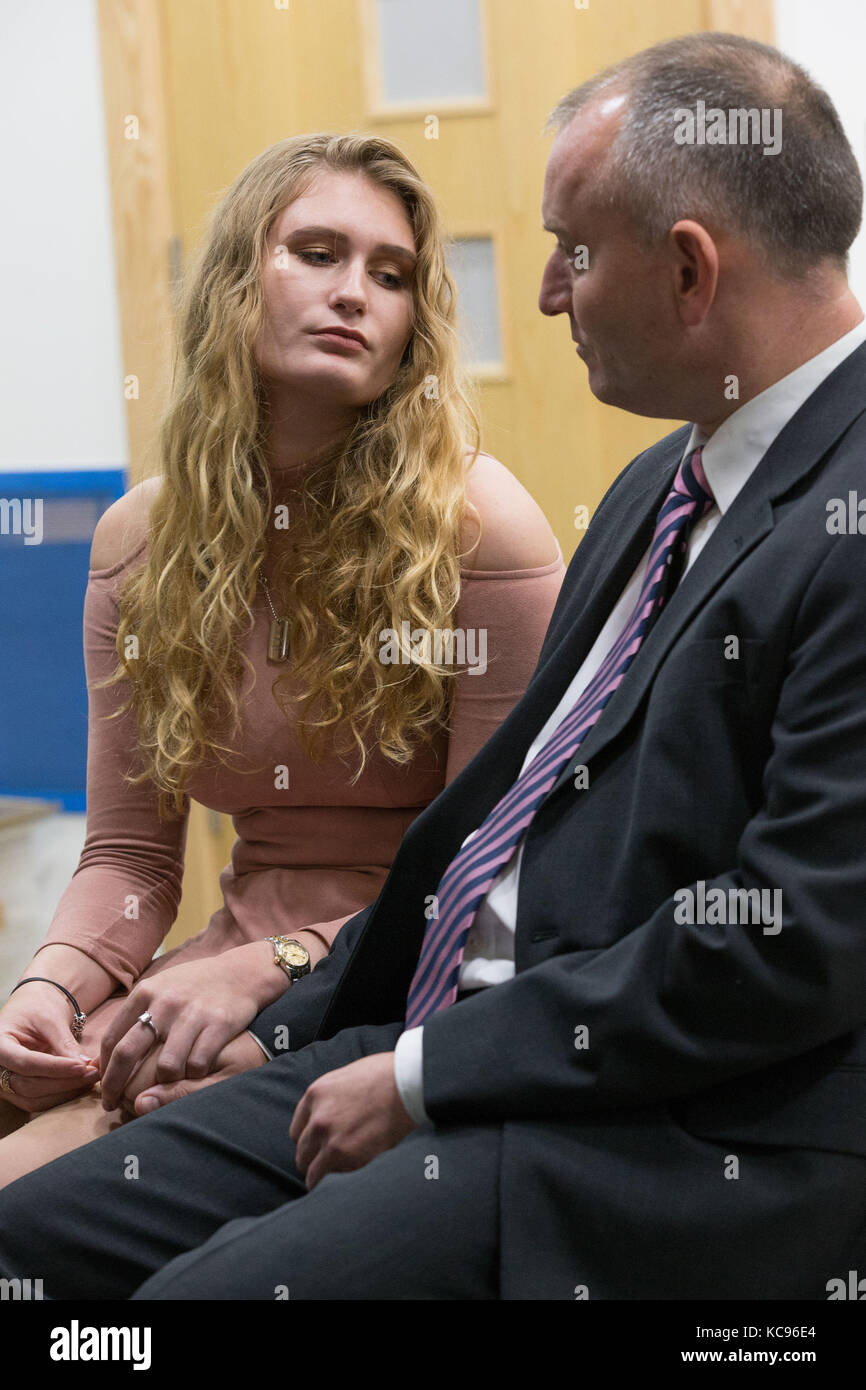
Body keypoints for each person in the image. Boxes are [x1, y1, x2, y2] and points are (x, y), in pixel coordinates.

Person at [2, 29, 865, 1301]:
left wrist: (419, 1066)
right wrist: (232, 1014)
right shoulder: (658, 490)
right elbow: (493, 850)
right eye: (313, 254)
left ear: (688, 272)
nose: (544, 296)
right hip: (438, 1023)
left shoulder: (805, 521)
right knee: (25, 1247)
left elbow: (786, 938)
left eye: (571, 249)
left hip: (650, 1121)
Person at [0, 132, 564, 1188]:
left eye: (389, 275)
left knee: (43, 1199)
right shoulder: (138, 542)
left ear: (411, 328)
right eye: (315, 252)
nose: (355, 292)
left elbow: (495, 879)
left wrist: (276, 974)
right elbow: (130, 859)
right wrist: (54, 986)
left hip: (402, 988)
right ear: (231, 284)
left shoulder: (480, 528)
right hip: (214, 973)